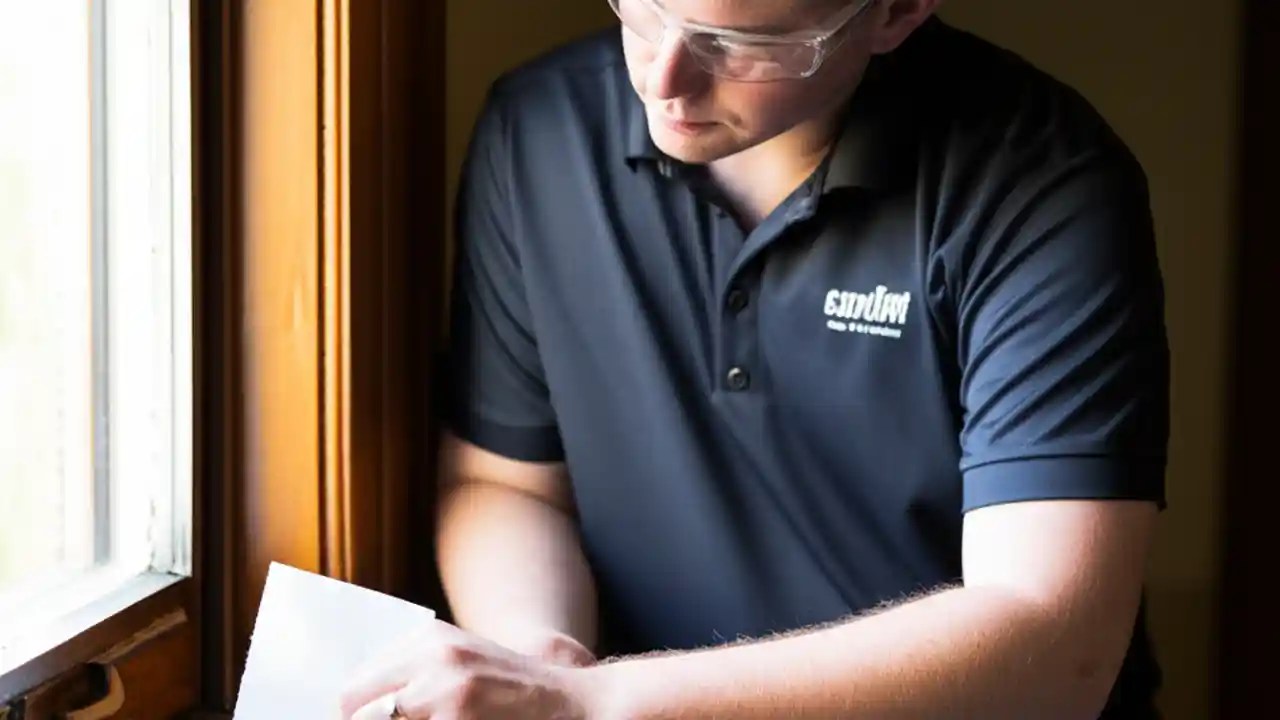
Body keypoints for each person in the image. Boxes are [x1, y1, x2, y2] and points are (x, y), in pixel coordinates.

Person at [341, 0, 1170, 717]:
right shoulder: (540, 132)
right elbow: (504, 482)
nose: (662, 78)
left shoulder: (1045, 184)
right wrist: (539, 660)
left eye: (738, 41)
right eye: (648, 9)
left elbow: (1057, 645)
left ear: (897, 11)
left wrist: (594, 705)